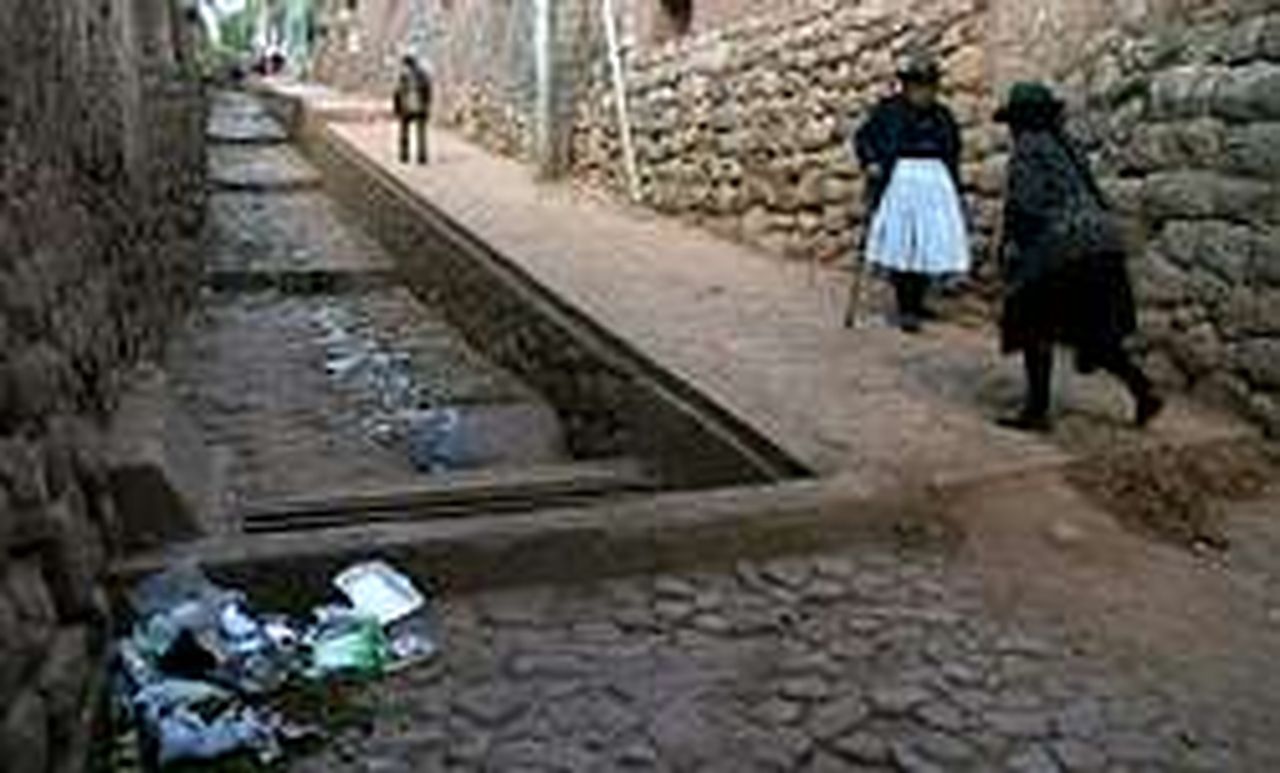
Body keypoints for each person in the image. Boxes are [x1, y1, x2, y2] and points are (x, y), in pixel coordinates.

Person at [993, 82, 1164, 432]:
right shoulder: (1068, 146)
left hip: (1060, 246)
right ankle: (1142, 389)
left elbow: (1027, 203)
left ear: (1020, 120)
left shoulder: (1028, 147)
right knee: (1093, 331)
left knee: (1032, 322)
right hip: (1101, 241)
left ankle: (1037, 410)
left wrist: (1012, 246)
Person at [854, 52, 970, 333]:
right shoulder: (888, 111)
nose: (923, 91)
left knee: (929, 243)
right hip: (902, 181)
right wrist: (871, 162)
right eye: (918, 85)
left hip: (935, 183)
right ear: (906, 86)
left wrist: (954, 185)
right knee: (904, 242)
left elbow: (954, 148)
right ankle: (906, 306)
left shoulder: (943, 115)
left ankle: (917, 302)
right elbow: (863, 138)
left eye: (928, 85)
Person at [394, 56, 433, 165]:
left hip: (414, 107)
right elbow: (397, 93)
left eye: (404, 65)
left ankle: (416, 156)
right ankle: (408, 156)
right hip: (410, 108)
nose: (403, 68)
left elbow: (397, 93)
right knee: (410, 134)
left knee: (414, 134)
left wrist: (426, 105)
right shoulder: (417, 76)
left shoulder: (410, 77)